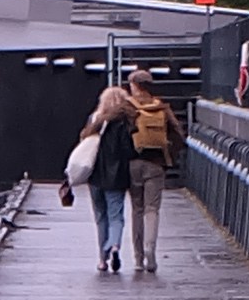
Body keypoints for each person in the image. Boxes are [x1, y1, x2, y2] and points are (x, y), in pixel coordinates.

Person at [64, 74, 137, 274]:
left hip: (95, 174)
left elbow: (84, 141)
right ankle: (114, 246)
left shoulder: (96, 120)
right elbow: (129, 150)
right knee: (116, 216)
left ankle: (102, 260)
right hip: (118, 176)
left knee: (100, 217)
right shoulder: (126, 122)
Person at [123, 67, 183, 276]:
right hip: (156, 164)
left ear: (135, 86)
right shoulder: (162, 107)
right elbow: (178, 134)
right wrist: (168, 156)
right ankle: (151, 250)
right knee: (152, 210)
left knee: (136, 209)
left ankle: (138, 258)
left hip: (132, 163)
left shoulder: (128, 108)